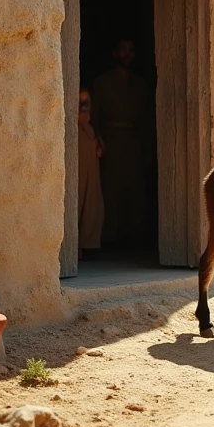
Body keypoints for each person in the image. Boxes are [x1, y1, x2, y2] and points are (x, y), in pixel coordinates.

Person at [91, 37, 153, 249]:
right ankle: (109, 238)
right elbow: (94, 114)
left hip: (133, 142)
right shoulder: (102, 82)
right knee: (110, 188)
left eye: (131, 50)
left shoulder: (140, 84)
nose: (127, 54)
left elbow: (146, 119)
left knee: (135, 189)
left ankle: (133, 238)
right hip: (110, 141)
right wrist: (97, 137)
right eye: (123, 49)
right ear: (115, 53)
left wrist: (148, 149)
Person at [77, 87, 104, 260]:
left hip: (90, 174)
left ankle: (85, 243)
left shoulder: (90, 127)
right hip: (79, 174)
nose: (83, 107)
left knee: (91, 204)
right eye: (79, 102)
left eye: (86, 102)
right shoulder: (73, 129)